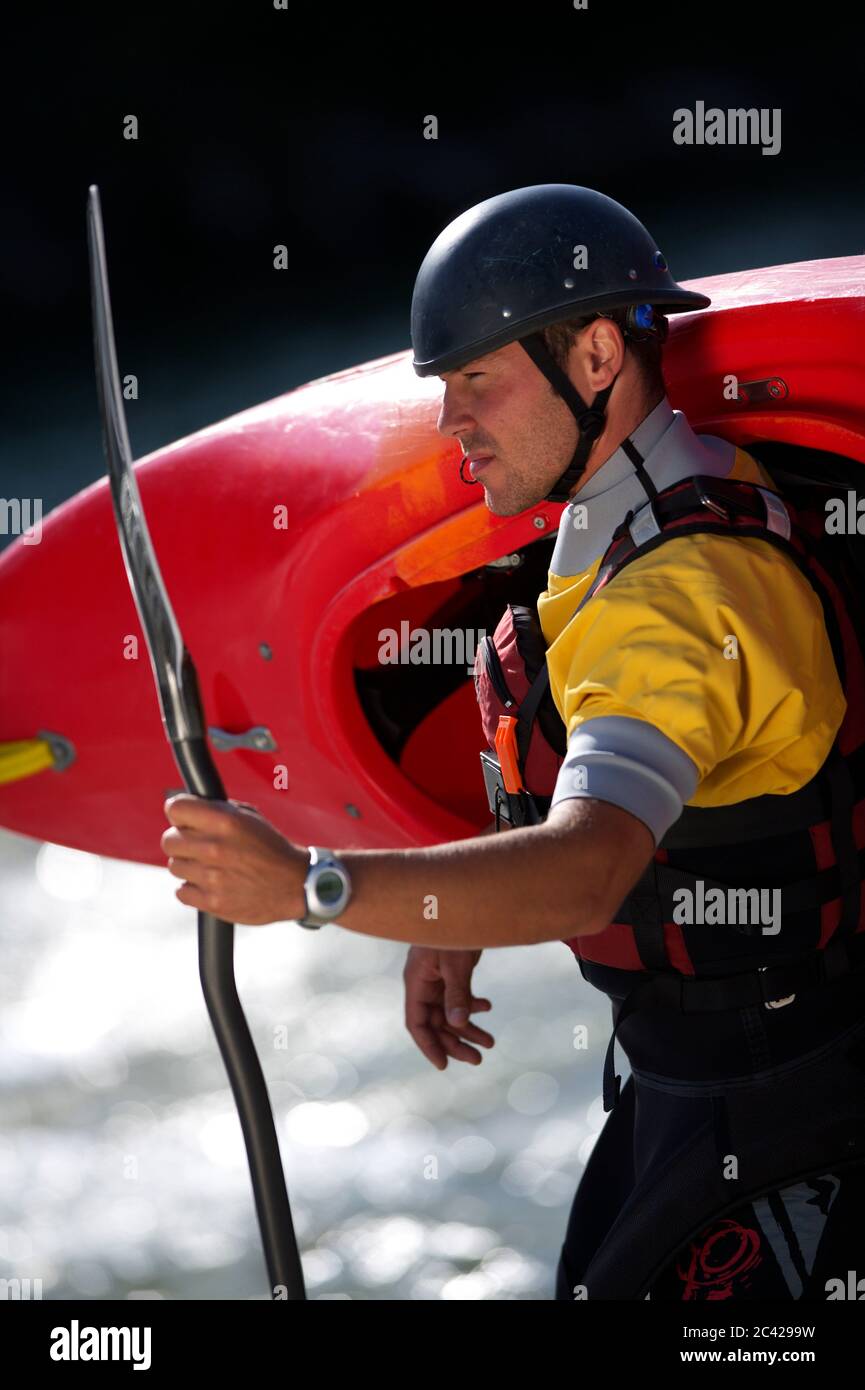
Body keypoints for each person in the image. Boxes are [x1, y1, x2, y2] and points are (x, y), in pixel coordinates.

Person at [160, 184, 865, 1299]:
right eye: (444, 388)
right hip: (695, 1080)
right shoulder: (664, 503)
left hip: (779, 1109)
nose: (450, 427)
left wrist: (311, 884)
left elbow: (589, 868)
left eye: (476, 380)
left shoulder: (683, 595)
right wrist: (452, 906)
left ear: (594, 356)